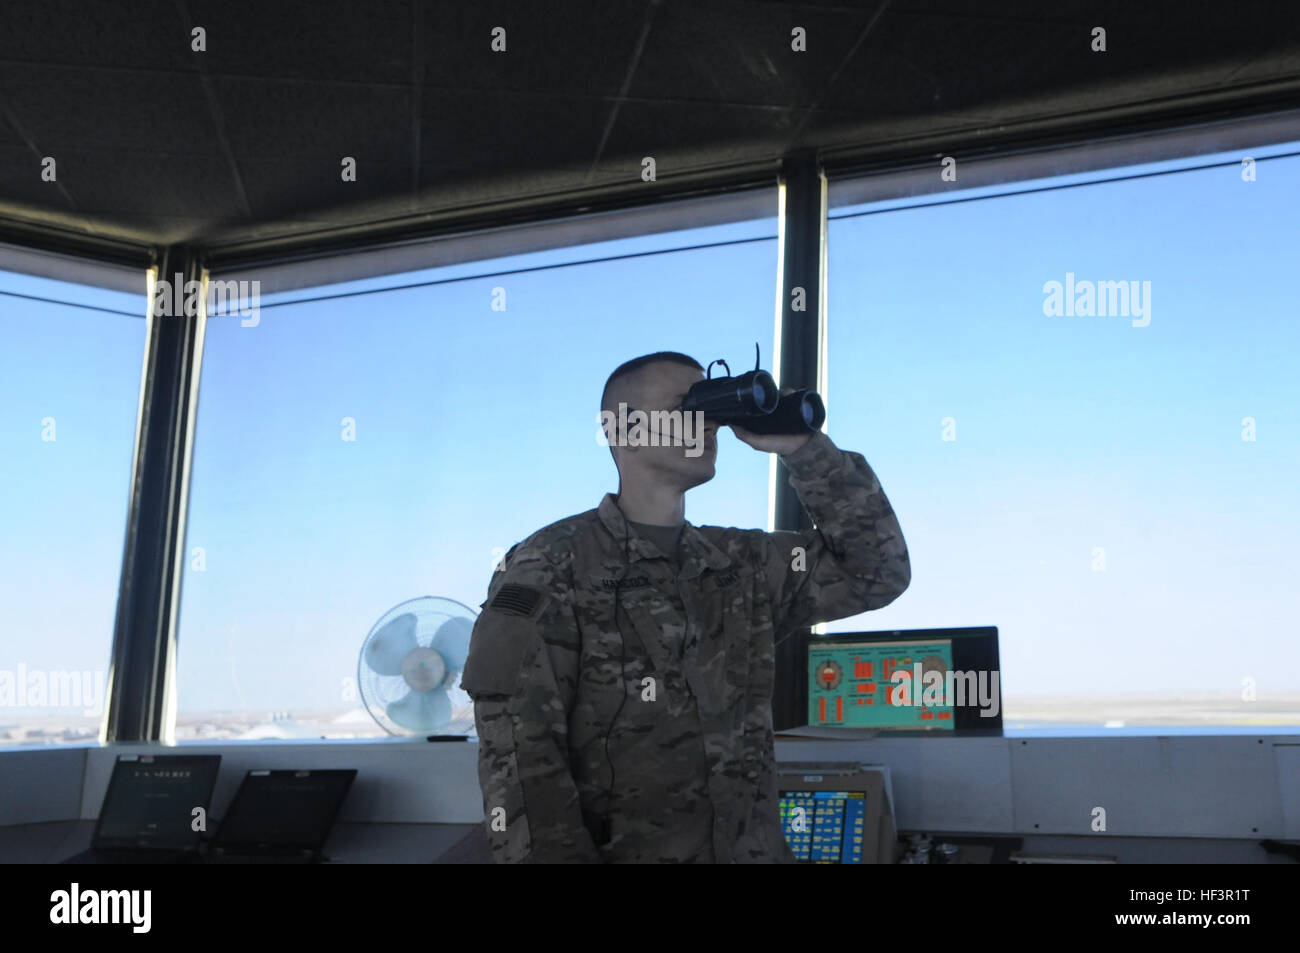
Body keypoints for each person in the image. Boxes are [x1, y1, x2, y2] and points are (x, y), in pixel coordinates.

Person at [459, 351, 910, 863]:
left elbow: (877, 572)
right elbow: (521, 766)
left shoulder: (740, 565)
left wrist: (805, 450)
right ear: (624, 428)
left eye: (712, 406)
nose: (709, 423)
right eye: (688, 406)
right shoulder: (552, 565)